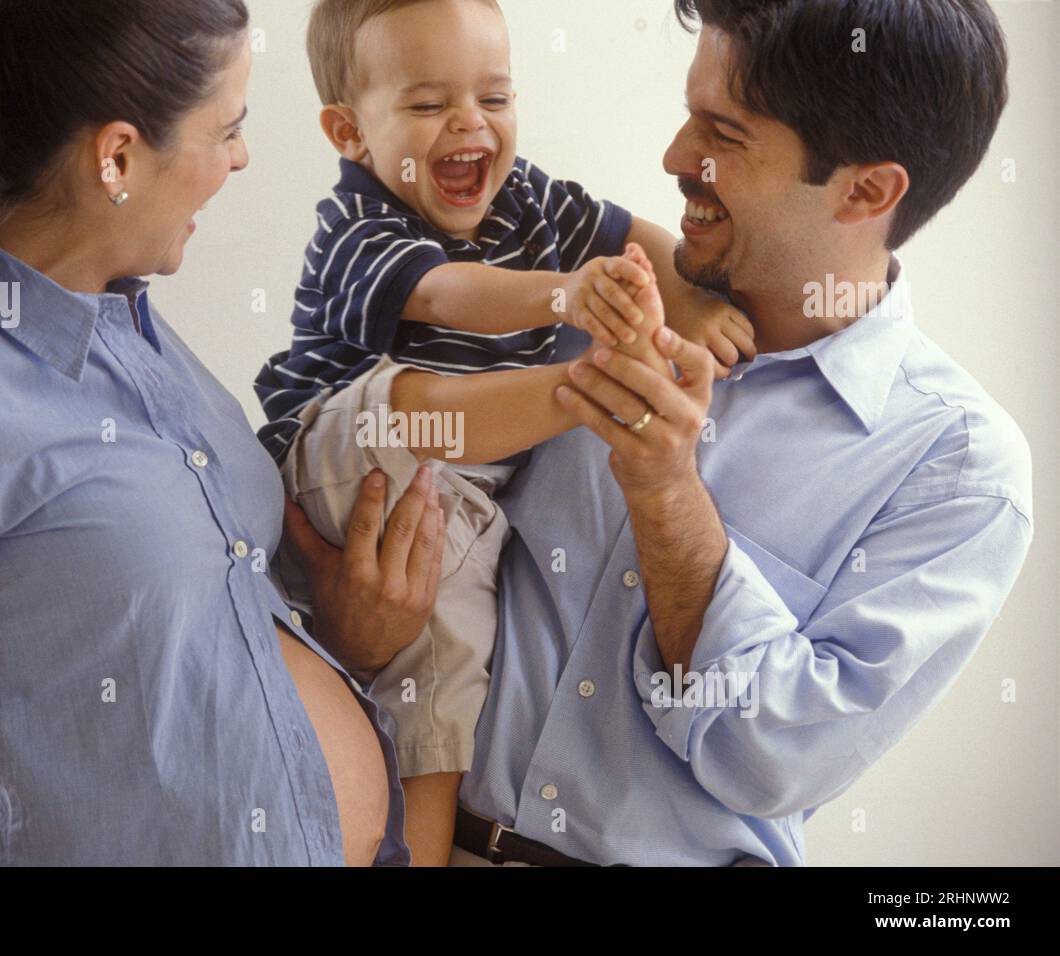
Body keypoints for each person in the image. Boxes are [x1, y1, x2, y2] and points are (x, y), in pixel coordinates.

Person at [286, 0, 1034, 865]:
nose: (675, 157)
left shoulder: (958, 469)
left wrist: (669, 492)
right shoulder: (579, 303)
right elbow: (382, 475)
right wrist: (355, 637)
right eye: (689, 115)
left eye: (723, 133)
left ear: (866, 190)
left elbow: (771, 757)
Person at [0, 0, 445, 866]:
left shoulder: (140, 338)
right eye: (227, 129)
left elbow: (168, 656)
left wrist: (346, 640)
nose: (241, 158)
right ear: (117, 156)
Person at [255, 0, 754, 866]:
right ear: (350, 132)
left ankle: (418, 850)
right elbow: (445, 295)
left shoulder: (529, 198)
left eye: (494, 97)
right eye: (427, 104)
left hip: (461, 502)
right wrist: (567, 297)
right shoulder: (357, 226)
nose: (469, 124)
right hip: (348, 463)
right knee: (416, 409)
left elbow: (629, 235)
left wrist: (688, 298)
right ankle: (586, 390)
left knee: (442, 692)